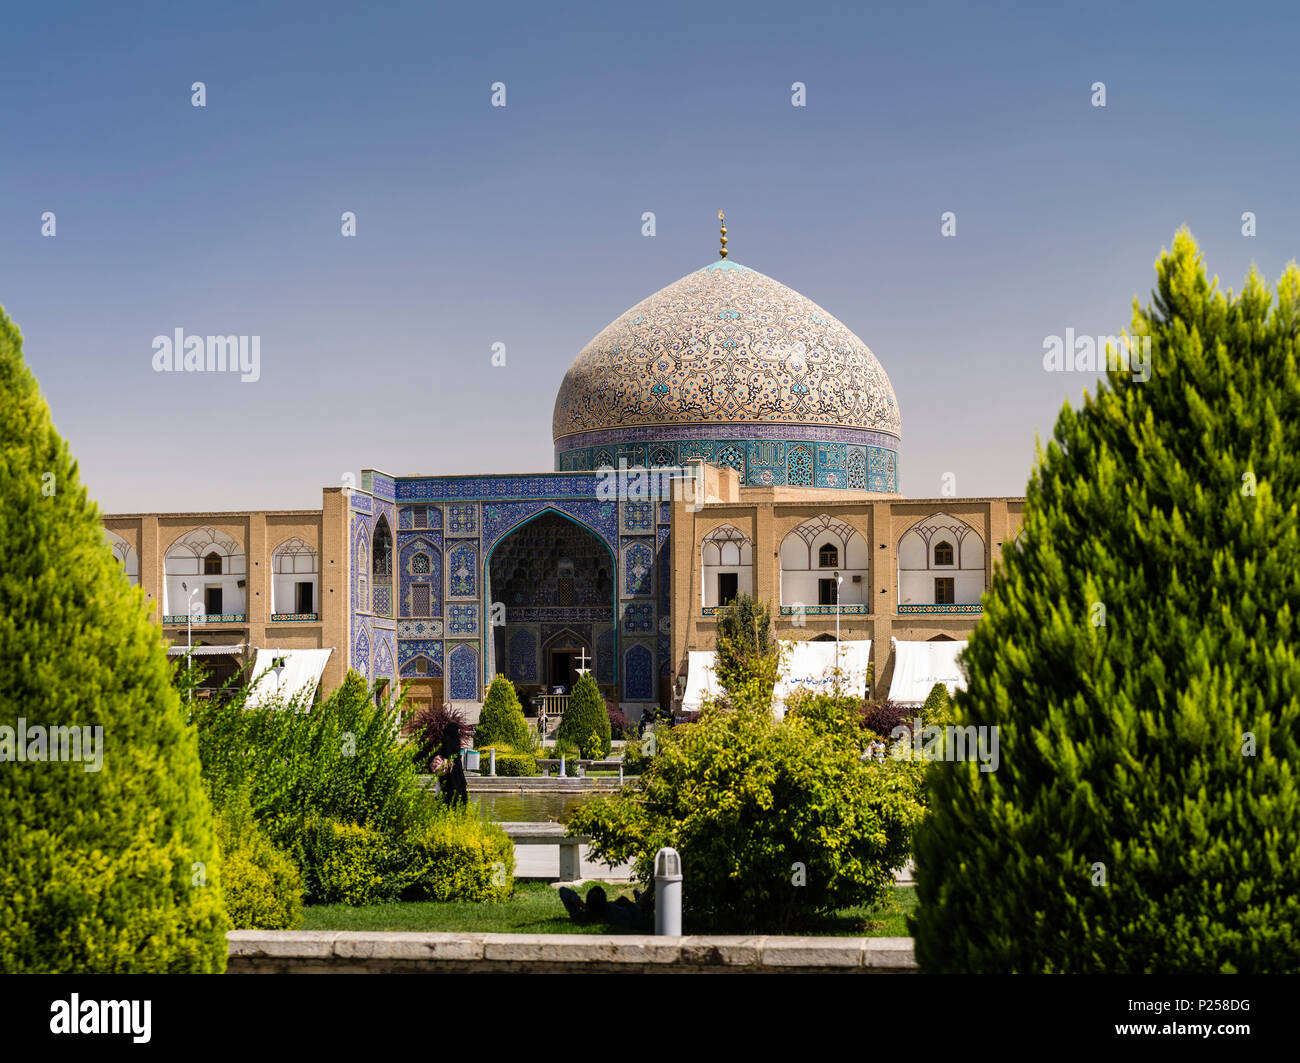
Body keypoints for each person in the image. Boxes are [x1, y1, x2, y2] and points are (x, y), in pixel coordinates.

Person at [433, 705, 468, 808]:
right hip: (452, 773)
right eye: (457, 731)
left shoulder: (448, 742)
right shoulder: (449, 742)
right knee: (454, 791)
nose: (458, 734)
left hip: (454, 772)